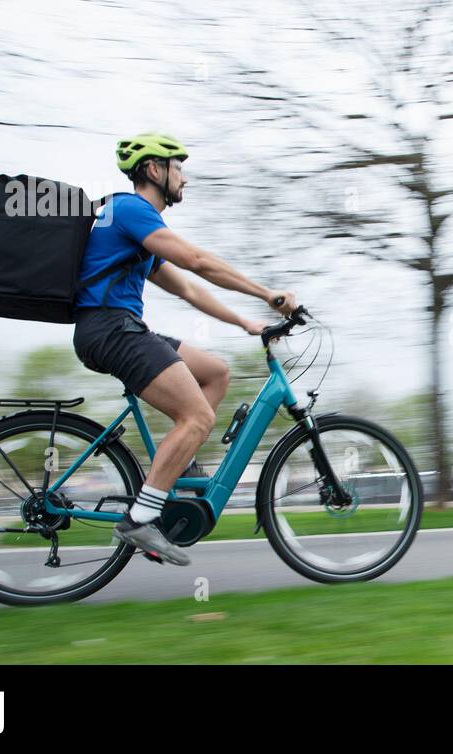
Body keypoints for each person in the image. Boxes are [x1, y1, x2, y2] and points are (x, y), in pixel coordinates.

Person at [72, 132, 297, 565]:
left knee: (215, 372)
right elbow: (198, 261)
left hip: (119, 327)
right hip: (111, 329)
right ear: (155, 170)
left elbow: (189, 289)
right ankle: (142, 517)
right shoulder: (130, 210)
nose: (185, 178)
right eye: (179, 167)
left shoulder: (135, 235)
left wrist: (247, 322)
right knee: (197, 416)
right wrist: (267, 293)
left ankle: (177, 475)